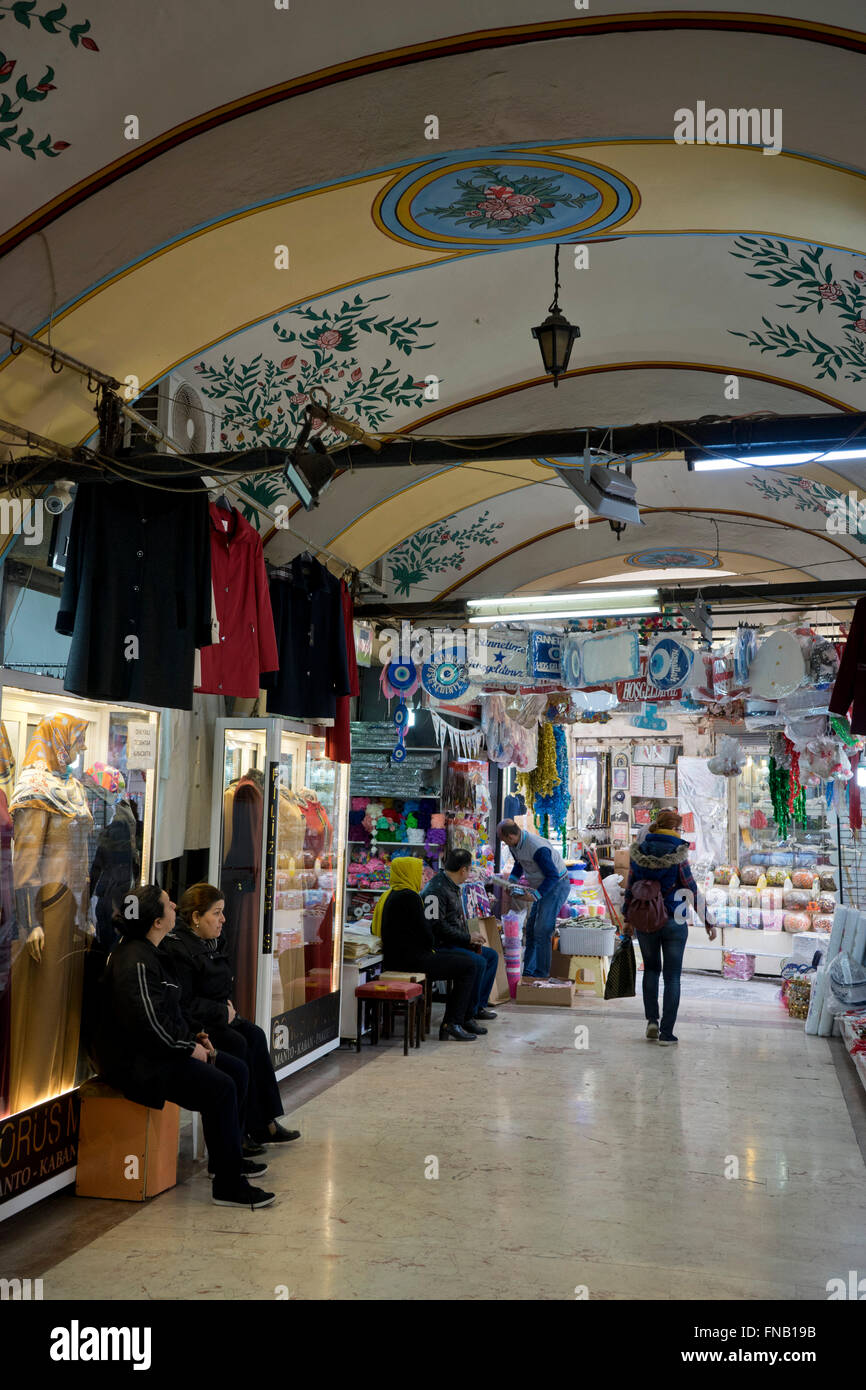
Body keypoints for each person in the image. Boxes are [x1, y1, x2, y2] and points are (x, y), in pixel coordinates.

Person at [96, 884, 276, 1209]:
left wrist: (195, 1035)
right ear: (157, 921)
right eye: (167, 904)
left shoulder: (151, 952)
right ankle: (228, 1185)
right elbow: (149, 1026)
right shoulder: (135, 961)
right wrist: (188, 1047)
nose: (174, 906)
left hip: (160, 1052)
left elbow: (173, 1008)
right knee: (221, 1086)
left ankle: (226, 1164)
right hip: (139, 1064)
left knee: (235, 1069)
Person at [162, 883, 299, 1154]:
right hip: (201, 1022)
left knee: (257, 1036)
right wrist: (222, 1012)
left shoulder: (214, 941)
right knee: (238, 1045)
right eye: (217, 913)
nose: (223, 919)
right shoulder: (179, 949)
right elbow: (186, 1003)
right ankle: (238, 1132)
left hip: (221, 1014)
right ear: (196, 917)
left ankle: (263, 1122)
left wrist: (227, 1008)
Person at [621, 809, 717, 1045]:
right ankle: (666, 1033)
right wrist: (707, 920)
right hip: (675, 918)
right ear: (674, 829)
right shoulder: (678, 853)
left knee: (651, 970)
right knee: (672, 977)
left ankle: (652, 1020)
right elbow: (691, 889)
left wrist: (627, 919)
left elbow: (631, 886)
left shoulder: (639, 850)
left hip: (645, 918)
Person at [373, 856, 479, 1041]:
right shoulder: (410, 897)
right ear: (409, 873)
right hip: (413, 961)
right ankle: (452, 1023)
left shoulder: (389, 894)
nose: (424, 878)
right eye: (420, 873)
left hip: (396, 959)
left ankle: (455, 1022)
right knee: (469, 965)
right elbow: (426, 934)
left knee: (466, 962)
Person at [422, 850, 498, 1027]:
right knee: (477, 962)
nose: (470, 873)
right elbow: (436, 927)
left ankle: (477, 1007)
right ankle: (465, 1016)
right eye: (470, 870)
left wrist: (469, 938)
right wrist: (467, 938)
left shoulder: (451, 886)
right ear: (463, 870)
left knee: (491, 956)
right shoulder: (435, 889)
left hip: (454, 942)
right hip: (439, 946)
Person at [497, 819, 571, 979]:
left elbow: (552, 875)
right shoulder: (514, 845)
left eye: (503, 840)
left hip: (557, 884)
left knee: (542, 930)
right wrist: (511, 882)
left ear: (510, 836)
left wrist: (535, 895)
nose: (503, 843)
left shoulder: (537, 848)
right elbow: (519, 864)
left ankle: (541, 975)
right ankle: (528, 974)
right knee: (530, 929)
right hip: (542, 884)